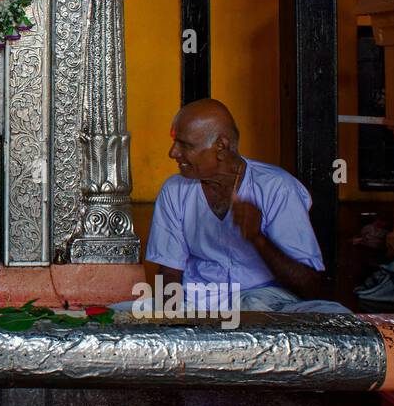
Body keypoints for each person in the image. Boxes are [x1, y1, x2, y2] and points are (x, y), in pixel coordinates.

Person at [139, 98, 351, 314]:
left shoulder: (277, 188)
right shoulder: (174, 190)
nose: (173, 153)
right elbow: (169, 272)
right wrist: (171, 322)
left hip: (266, 302)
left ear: (220, 146)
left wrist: (257, 238)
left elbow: (310, 286)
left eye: (185, 145)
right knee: (122, 317)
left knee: (334, 315)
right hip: (198, 303)